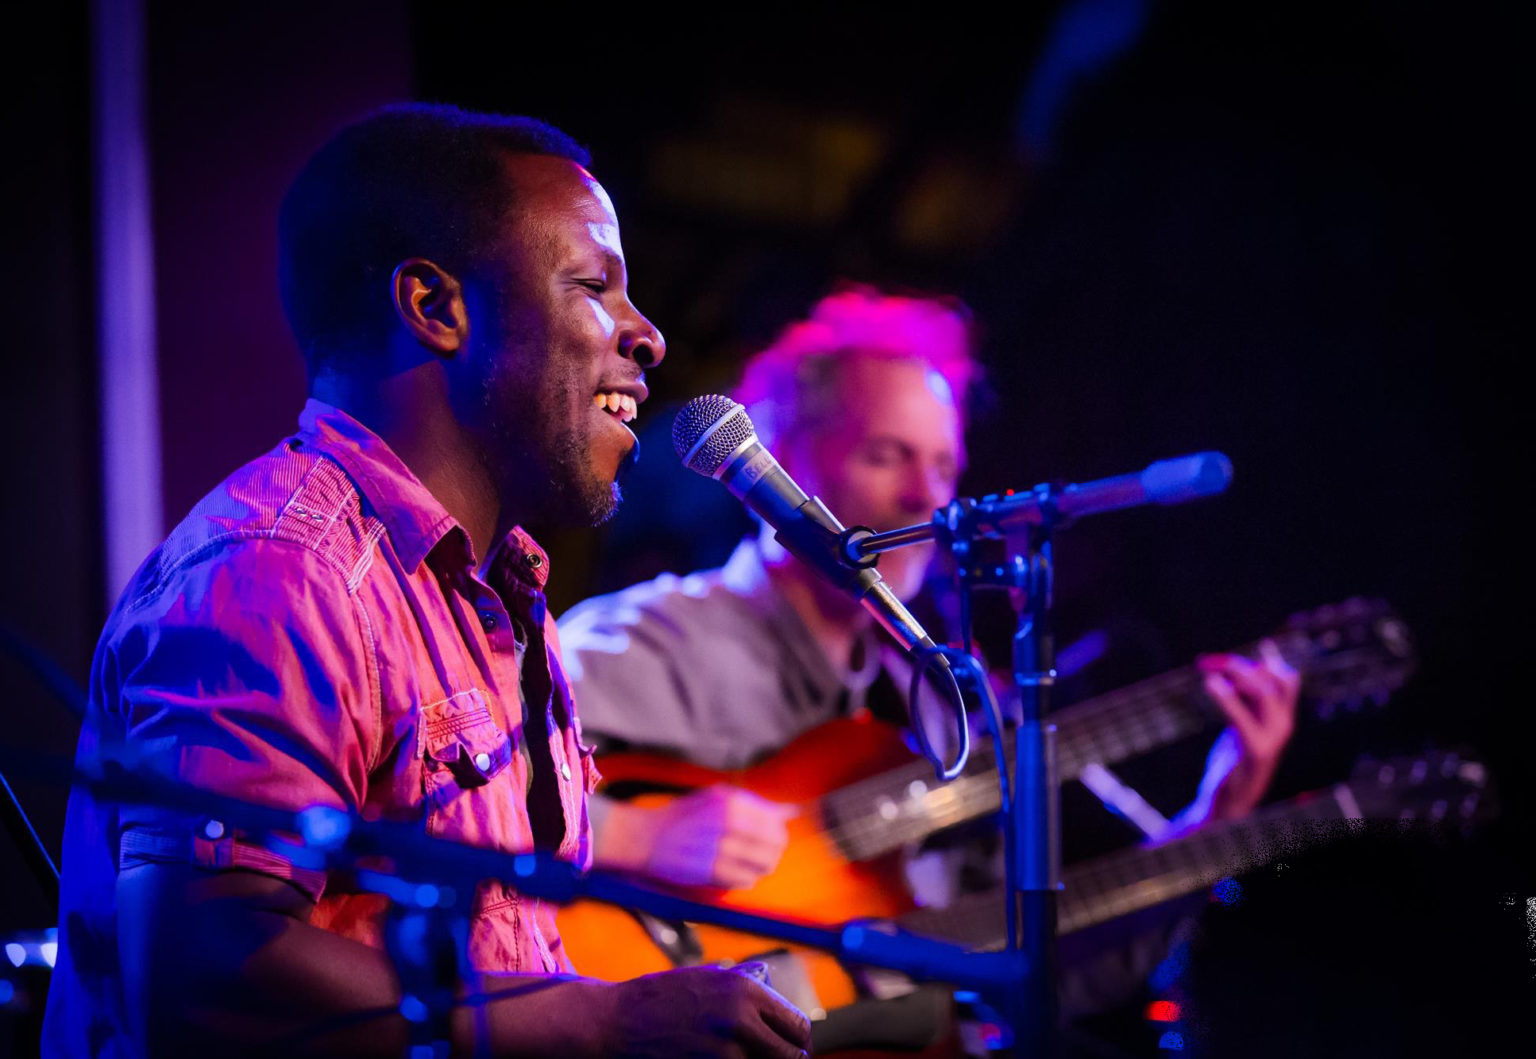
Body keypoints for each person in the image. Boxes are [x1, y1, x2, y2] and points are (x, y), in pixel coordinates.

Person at [43, 103, 812, 1059]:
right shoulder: (279, 571)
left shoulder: (495, 592)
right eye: (594, 286)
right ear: (436, 307)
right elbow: (205, 969)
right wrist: (606, 1021)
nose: (646, 334)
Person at [557, 286, 1300, 1020]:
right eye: (888, 455)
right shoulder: (651, 639)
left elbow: (1037, 976)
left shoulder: (945, 709)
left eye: (943, 468)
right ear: (782, 457)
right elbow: (463, 791)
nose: (925, 498)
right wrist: (633, 832)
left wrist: (1217, 819)